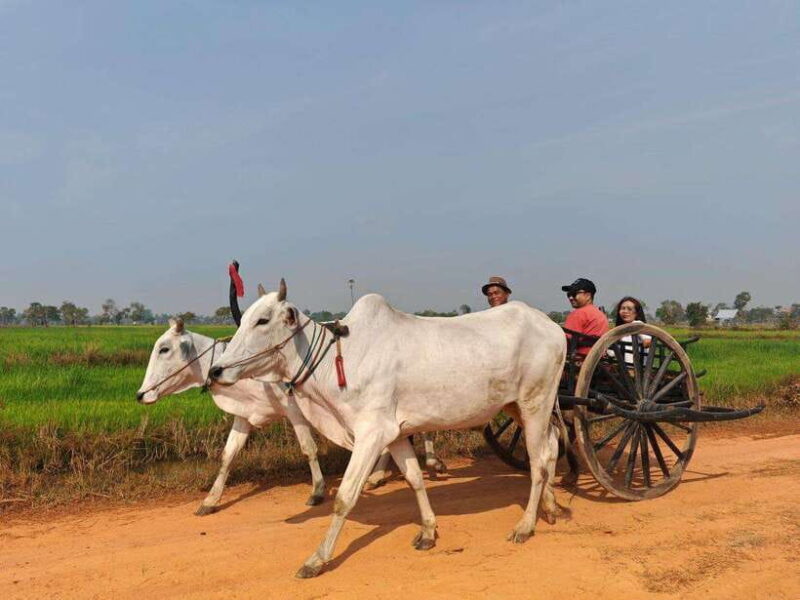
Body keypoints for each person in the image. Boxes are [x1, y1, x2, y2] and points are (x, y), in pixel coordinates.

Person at [561, 277, 609, 356]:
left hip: (580, 362)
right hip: (597, 361)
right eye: (569, 294)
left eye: (574, 294)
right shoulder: (600, 315)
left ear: (588, 295)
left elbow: (564, 343)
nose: (570, 298)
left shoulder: (579, 314)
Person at [613, 296, 651, 362]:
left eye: (629, 309)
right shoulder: (620, 329)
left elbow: (647, 342)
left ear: (636, 313)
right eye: (623, 308)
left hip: (635, 367)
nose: (625, 311)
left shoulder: (637, 324)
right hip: (621, 366)